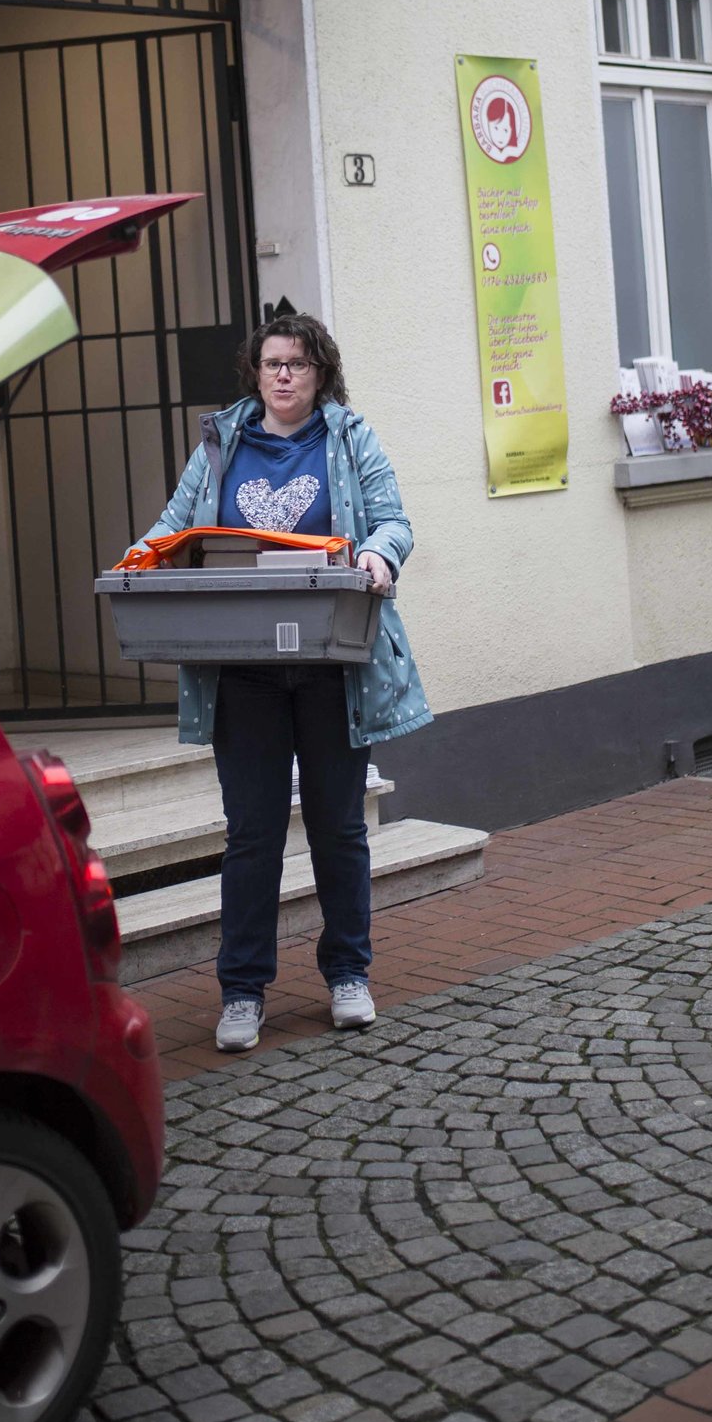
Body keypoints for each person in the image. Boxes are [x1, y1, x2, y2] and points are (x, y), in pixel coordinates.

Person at [132, 314, 431, 1052]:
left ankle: (347, 975)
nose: (284, 375)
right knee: (253, 835)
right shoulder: (220, 445)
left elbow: (392, 520)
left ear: (319, 372)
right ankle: (241, 992)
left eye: (298, 363)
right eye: (272, 363)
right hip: (244, 674)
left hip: (334, 669)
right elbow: (175, 525)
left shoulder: (349, 438)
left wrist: (379, 557)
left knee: (338, 828)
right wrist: (139, 556)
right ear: (255, 372)